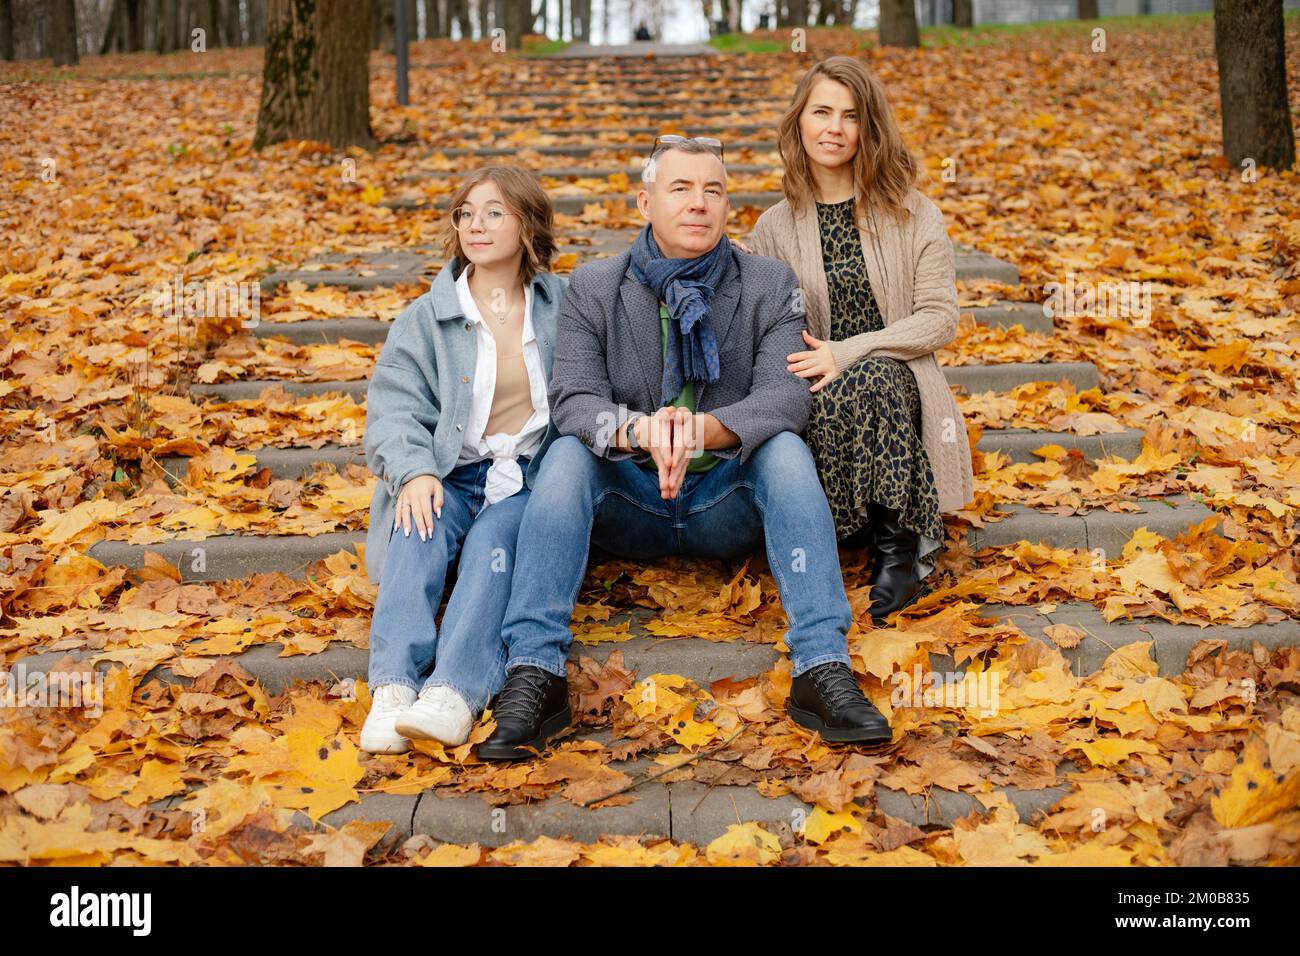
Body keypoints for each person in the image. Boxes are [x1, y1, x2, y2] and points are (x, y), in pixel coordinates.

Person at [475, 135, 894, 762]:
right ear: (645, 202)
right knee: (565, 454)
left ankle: (821, 667)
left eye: (713, 190)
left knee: (784, 449)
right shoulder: (595, 286)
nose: (699, 203)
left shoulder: (768, 282)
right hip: (632, 496)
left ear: (727, 207)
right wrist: (641, 429)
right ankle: (535, 672)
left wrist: (703, 429)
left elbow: (786, 397)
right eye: (680, 188)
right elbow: (574, 399)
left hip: (723, 495)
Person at [746, 55, 975, 624]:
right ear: (799, 121)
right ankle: (877, 533)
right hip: (813, 392)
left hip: (898, 384)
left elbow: (940, 319)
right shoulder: (773, 226)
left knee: (875, 374)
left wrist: (847, 351)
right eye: (821, 112)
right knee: (848, 386)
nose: (834, 128)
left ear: (868, 128)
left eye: (850, 116)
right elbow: (765, 324)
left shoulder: (913, 213)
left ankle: (897, 548)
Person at [359, 165, 568, 753]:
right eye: (465, 213)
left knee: (494, 549)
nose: (475, 224)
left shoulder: (562, 307)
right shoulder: (426, 318)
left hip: (525, 478)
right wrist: (415, 470)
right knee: (417, 520)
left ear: (527, 224)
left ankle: (453, 691)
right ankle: (394, 688)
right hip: (449, 471)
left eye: (493, 212)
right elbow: (393, 409)